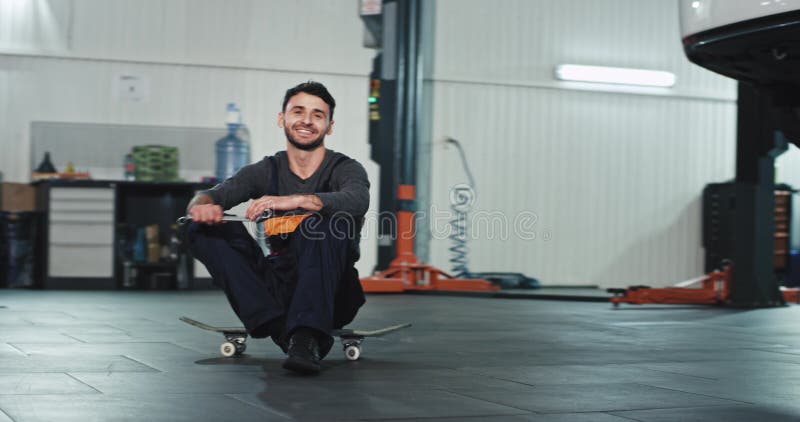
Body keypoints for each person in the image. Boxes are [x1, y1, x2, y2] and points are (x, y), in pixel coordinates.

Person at [185, 81, 369, 375]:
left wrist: (297, 200)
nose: (307, 120)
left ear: (329, 126)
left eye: (317, 115)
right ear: (281, 118)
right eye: (298, 111)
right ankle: (284, 329)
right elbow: (211, 195)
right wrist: (201, 206)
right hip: (280, 290)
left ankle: (306, 334)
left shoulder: (345, 169)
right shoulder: (265, 171)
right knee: (198, 228)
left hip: (333, 292)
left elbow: (357, 199)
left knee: (319, 224)